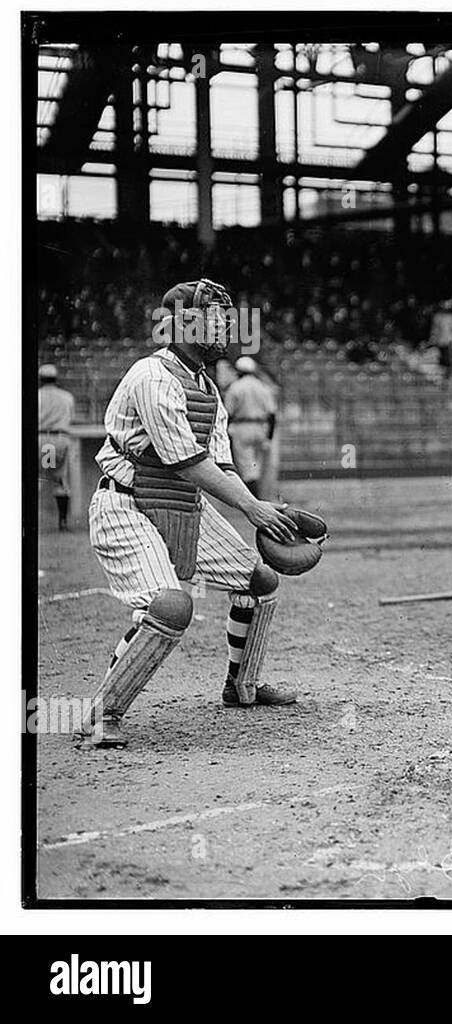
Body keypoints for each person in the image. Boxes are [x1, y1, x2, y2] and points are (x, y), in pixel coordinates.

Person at [83, 279, 300, 748]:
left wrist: (265, 506)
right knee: (170, 606)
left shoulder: (207, 386)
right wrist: (252, 508)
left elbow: (221, 466)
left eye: (225, 316)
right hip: (128, 503)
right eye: (212, 316)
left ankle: (241, 687)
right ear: (181, 324)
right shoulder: (152, 376)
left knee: (259, 584)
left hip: (182, 503)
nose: (224, 324)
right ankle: (102, 713)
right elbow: (188, 462)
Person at [224, 355, 278, 499]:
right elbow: (272, 414)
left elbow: (227, 413)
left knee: (247, 468)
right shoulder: (262, 386)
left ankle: (255, 500)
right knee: (258, 467)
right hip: (262, 427)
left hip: (242, 426)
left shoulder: (235, 387)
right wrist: (269, 437)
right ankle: (263, 498)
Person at [37, 364, 76, 531]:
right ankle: (62, 521)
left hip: (45, 439)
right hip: (60, 438)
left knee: (42, 478)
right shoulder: (66, 396)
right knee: (60, 481)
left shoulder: (37, 395)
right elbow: (71, 417)